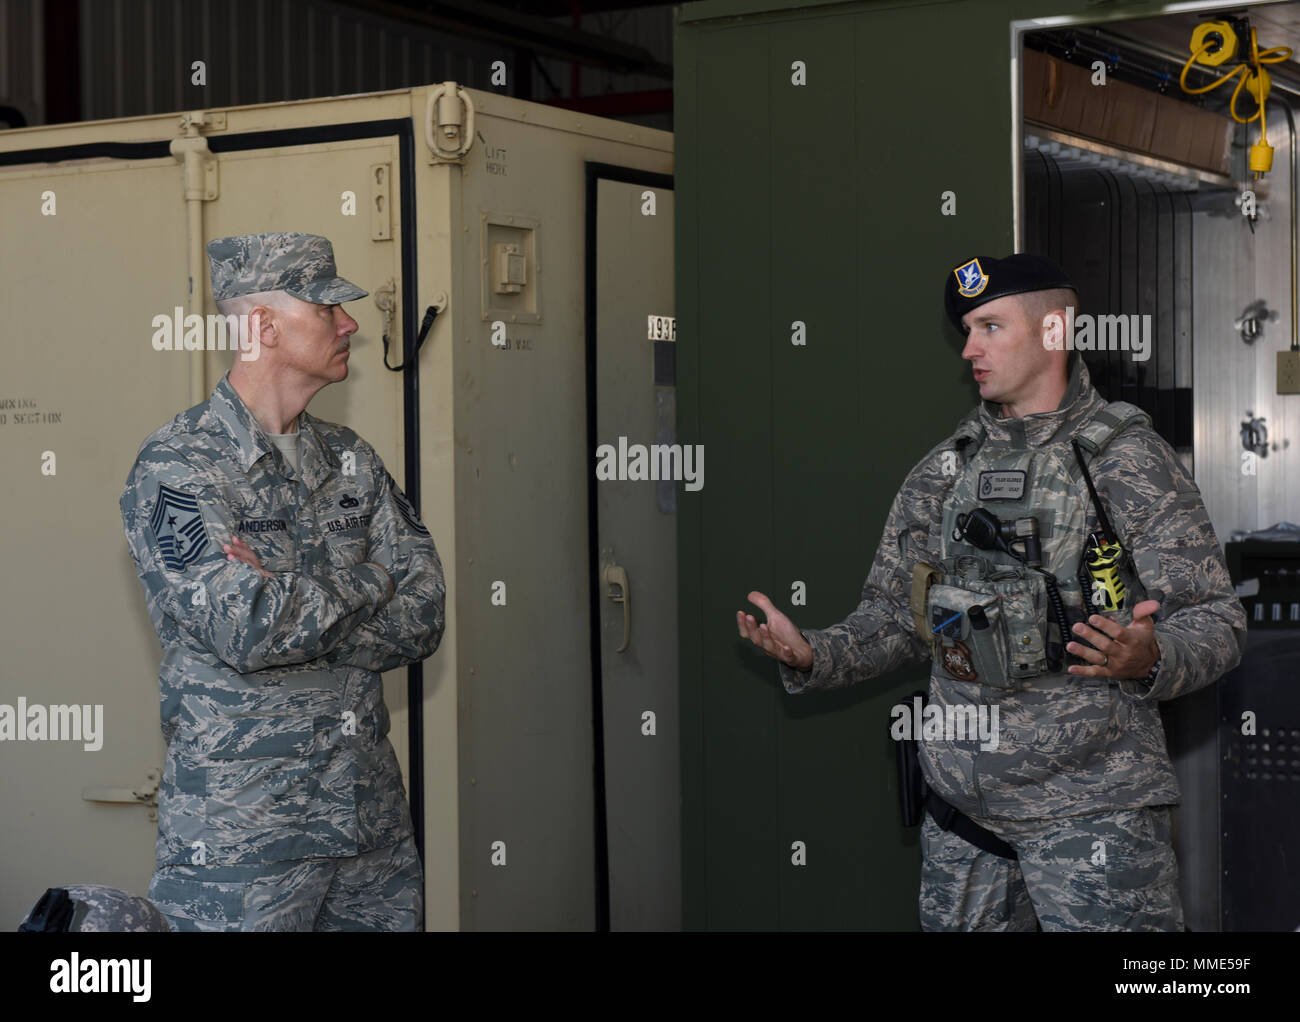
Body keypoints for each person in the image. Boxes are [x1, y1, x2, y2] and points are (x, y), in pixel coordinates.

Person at [736, 253, 1246, 931]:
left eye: (990, 327)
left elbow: (1217, 620)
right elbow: (897, 614)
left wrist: (1149, 658)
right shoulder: (948, 467)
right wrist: (815, 654)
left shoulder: (1126, 460)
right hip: (964, 822)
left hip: (1092, 825)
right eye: (967, 330)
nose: (969, 348)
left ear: (1056, 331)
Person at [119, 231, 445, 931]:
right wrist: (371, 578)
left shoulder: (351, 458)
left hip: (368, 826)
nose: (350, 323)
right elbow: (249, 627)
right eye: (328, 307)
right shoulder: (179, 468)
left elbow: (425, 615)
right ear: (264, 325)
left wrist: (294, 597)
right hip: (245, 837)